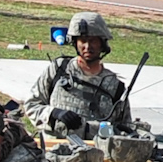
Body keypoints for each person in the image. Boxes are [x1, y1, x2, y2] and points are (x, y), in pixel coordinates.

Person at [23, 12, 145, 147]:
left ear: (102, 44)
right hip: (53, 154)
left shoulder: (116, 87)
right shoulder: (59, 70)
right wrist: (54, 113)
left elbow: (124, 132)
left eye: (93, 40)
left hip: (97, 158)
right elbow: (31, 105)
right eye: (83, 40)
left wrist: (90, 129)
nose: (87, 46)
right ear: (75, 42)